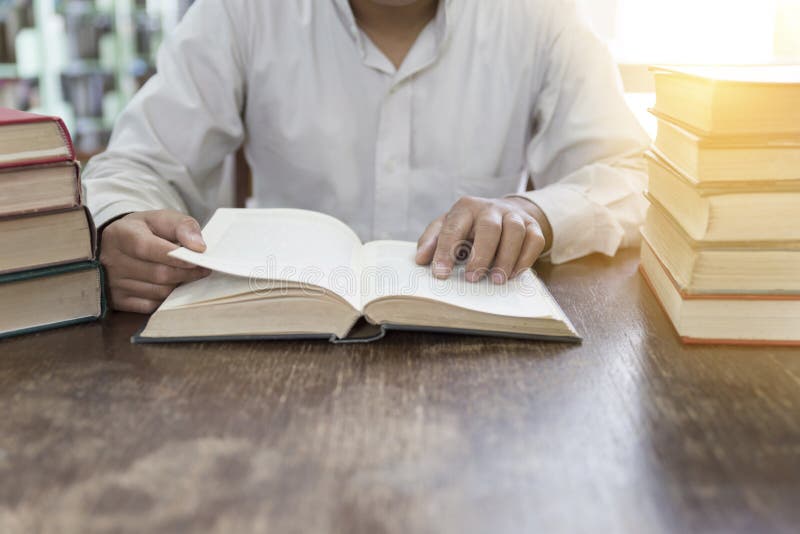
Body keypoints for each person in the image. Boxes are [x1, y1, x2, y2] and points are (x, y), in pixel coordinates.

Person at [84, 0, 650, 314]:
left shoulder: (542, 17)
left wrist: (538, 214)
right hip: (279, 331)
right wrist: (121, 221)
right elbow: (136, 165)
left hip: (485, 342)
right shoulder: (240, 11)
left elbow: (631, 176)